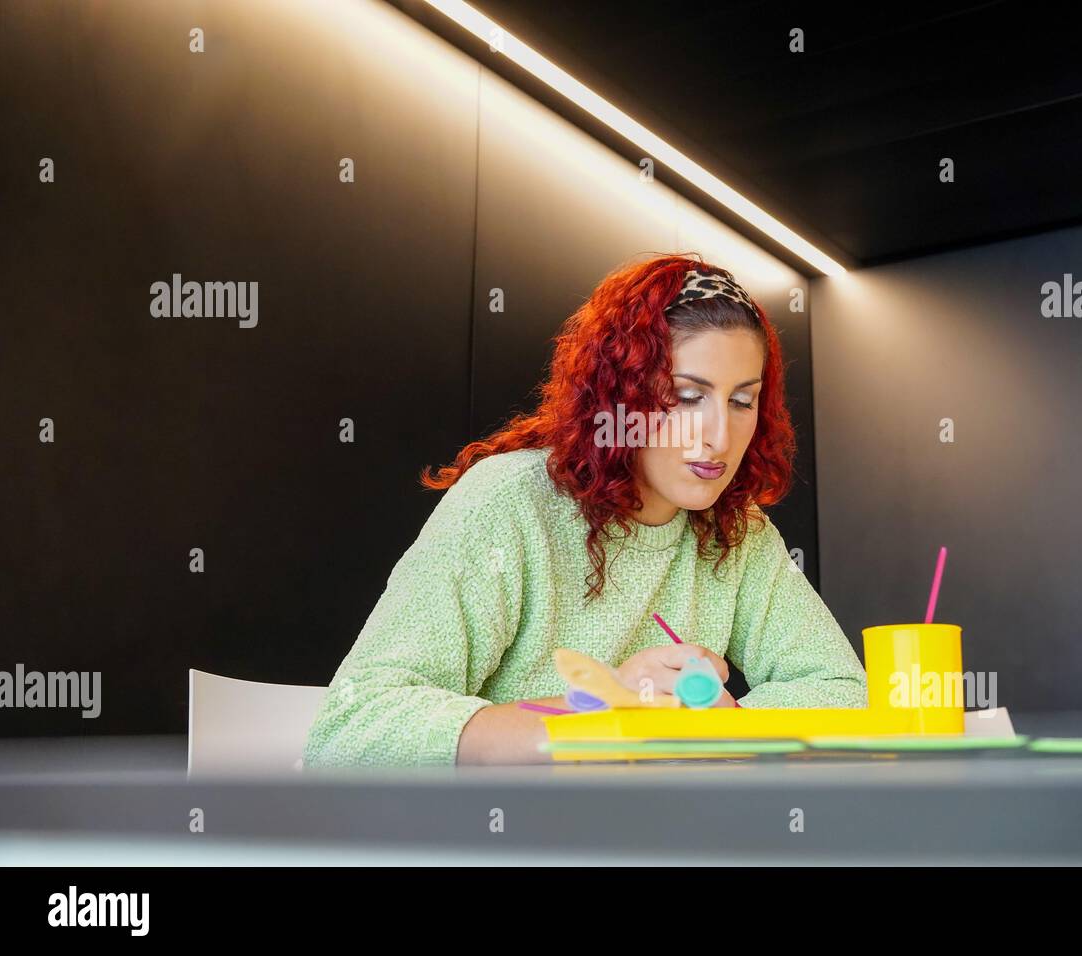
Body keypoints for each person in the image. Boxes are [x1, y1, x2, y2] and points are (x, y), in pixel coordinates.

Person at [303, 254, 868, 767]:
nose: (718, 435)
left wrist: (728, 732)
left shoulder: (736, 531)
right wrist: (603, 712)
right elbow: (352, 732)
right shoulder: (507, 501)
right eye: (687, 396)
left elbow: (840, 688)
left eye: (742, 401)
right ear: (621, 396)